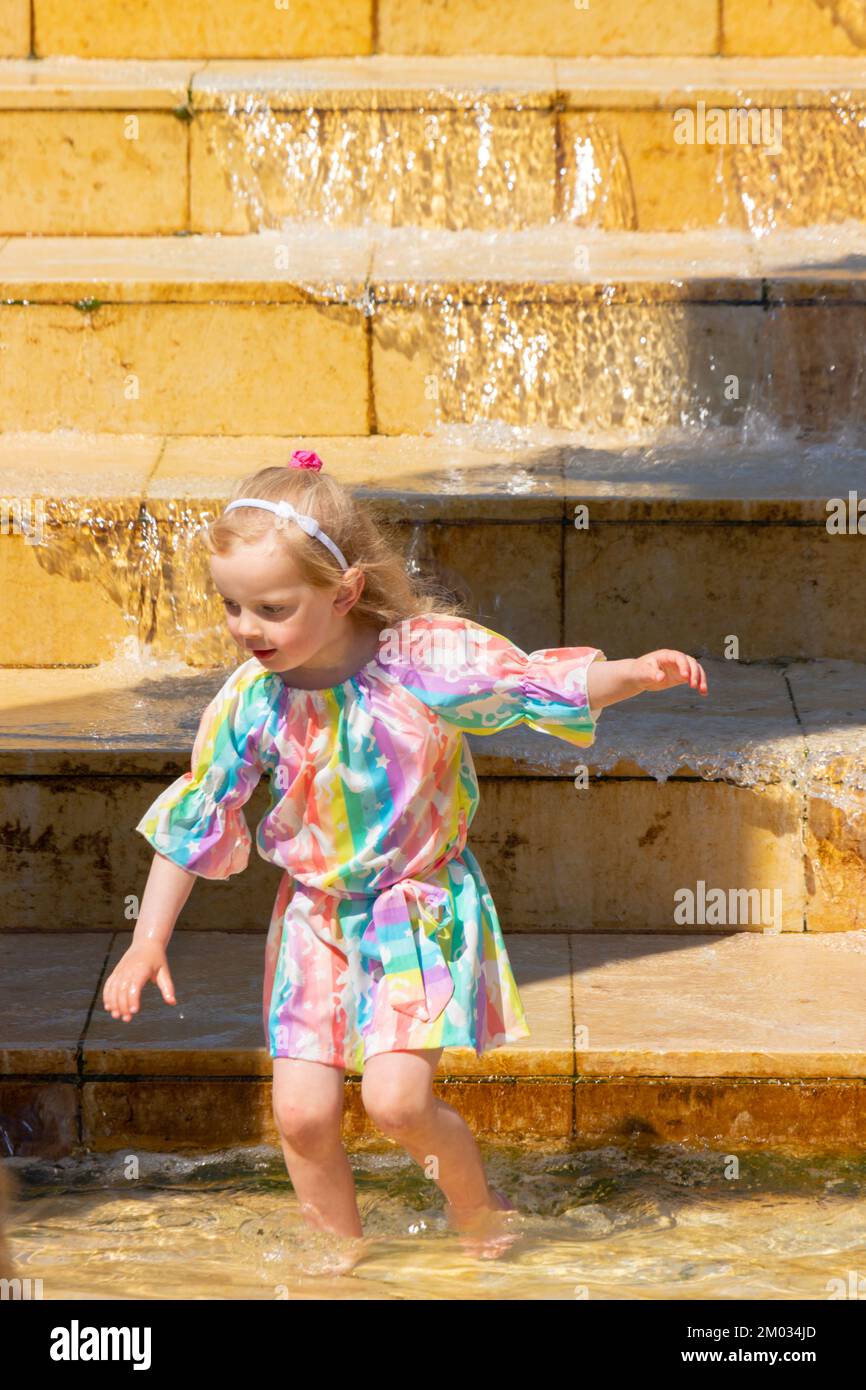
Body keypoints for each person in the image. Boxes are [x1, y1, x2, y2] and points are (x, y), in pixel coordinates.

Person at [103, 449, 707, 1262]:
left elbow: (529, 687)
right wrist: (149, 939)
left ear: (345, 591)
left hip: (418, 910)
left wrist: (630, 674)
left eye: (272, 608)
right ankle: (339, 1254)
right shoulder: (251, 699)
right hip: (315, 920)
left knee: (396, 1102)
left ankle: (477, 1212)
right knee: (302, 1115)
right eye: (232, 606)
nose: (248, 629)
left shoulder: (421, 661)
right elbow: (200, 810)